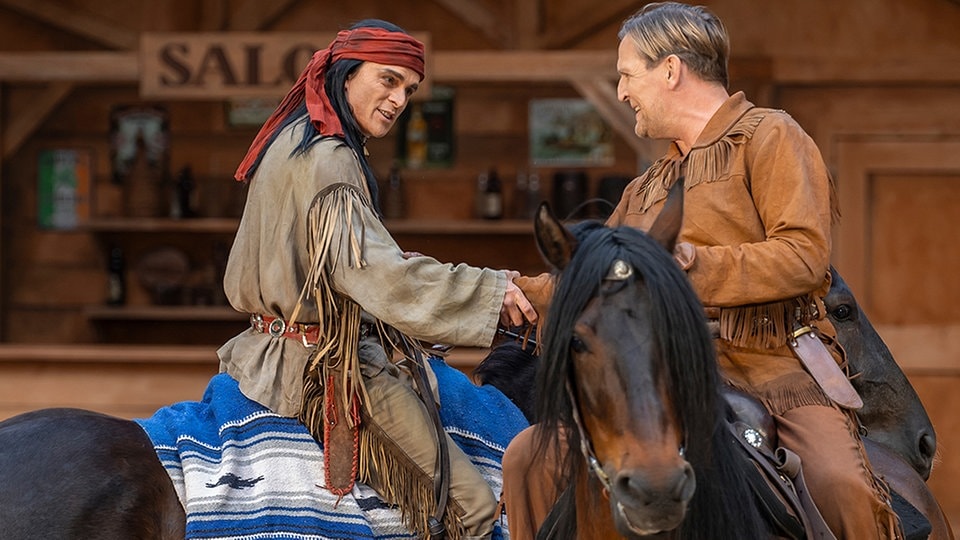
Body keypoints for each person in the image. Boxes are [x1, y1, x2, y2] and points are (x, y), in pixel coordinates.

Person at [504, 3, 902, 539]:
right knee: (528, 459)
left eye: (626, 75)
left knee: (842, 489)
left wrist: (689, 264)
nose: (621, 92)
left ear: (669, 71)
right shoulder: (646, 187)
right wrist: (502, 290)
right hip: (657, 378)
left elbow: (805, 256)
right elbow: (595, 281)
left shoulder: (770, 136)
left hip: (773, 371)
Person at [219, 19, 537, 540]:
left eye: (408, 89)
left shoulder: (295, 139)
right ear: (345, 74)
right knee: (475, 505)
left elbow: (342, 266)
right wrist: (492, 291)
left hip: (275, 343)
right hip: (322, 363)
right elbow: (383, 280)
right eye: (387, 80)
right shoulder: (330, 157)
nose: (398, 99)